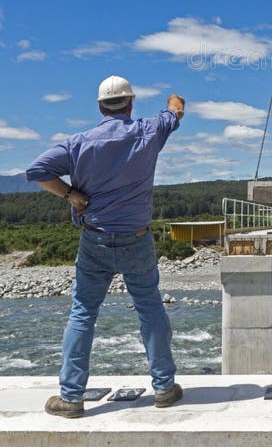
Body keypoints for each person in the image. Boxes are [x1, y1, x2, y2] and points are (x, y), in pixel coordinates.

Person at [26, 75, 185, 418]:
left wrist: (69, 193)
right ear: (130, 104)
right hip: (137, 239)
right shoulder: (150, 130)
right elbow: (175, 108)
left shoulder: (80, 143)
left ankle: (71, 397)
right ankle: (164, 388)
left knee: (83, 312)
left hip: (95, 238)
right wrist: (173, 100)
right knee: (150, 309)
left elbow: (36, 170)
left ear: (99, 107)